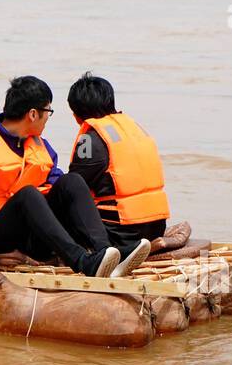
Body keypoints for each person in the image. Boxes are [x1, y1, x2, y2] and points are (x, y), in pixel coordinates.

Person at [0, 75, 146, 278]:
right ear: (33, 114)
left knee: (72, 181)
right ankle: (83, 262)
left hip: (31, 238)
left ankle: (106, 252)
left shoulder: (42, 147)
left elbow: (61, 188)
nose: (49, 117)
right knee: (28, 195)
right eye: (48, 111)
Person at [66, 73, 166, 274]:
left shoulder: (91, 138)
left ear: (77, 114)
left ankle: (106, 252)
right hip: (156, 226)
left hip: (121, 232)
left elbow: (76, 186)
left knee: (67, 189)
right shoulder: (135, 128)